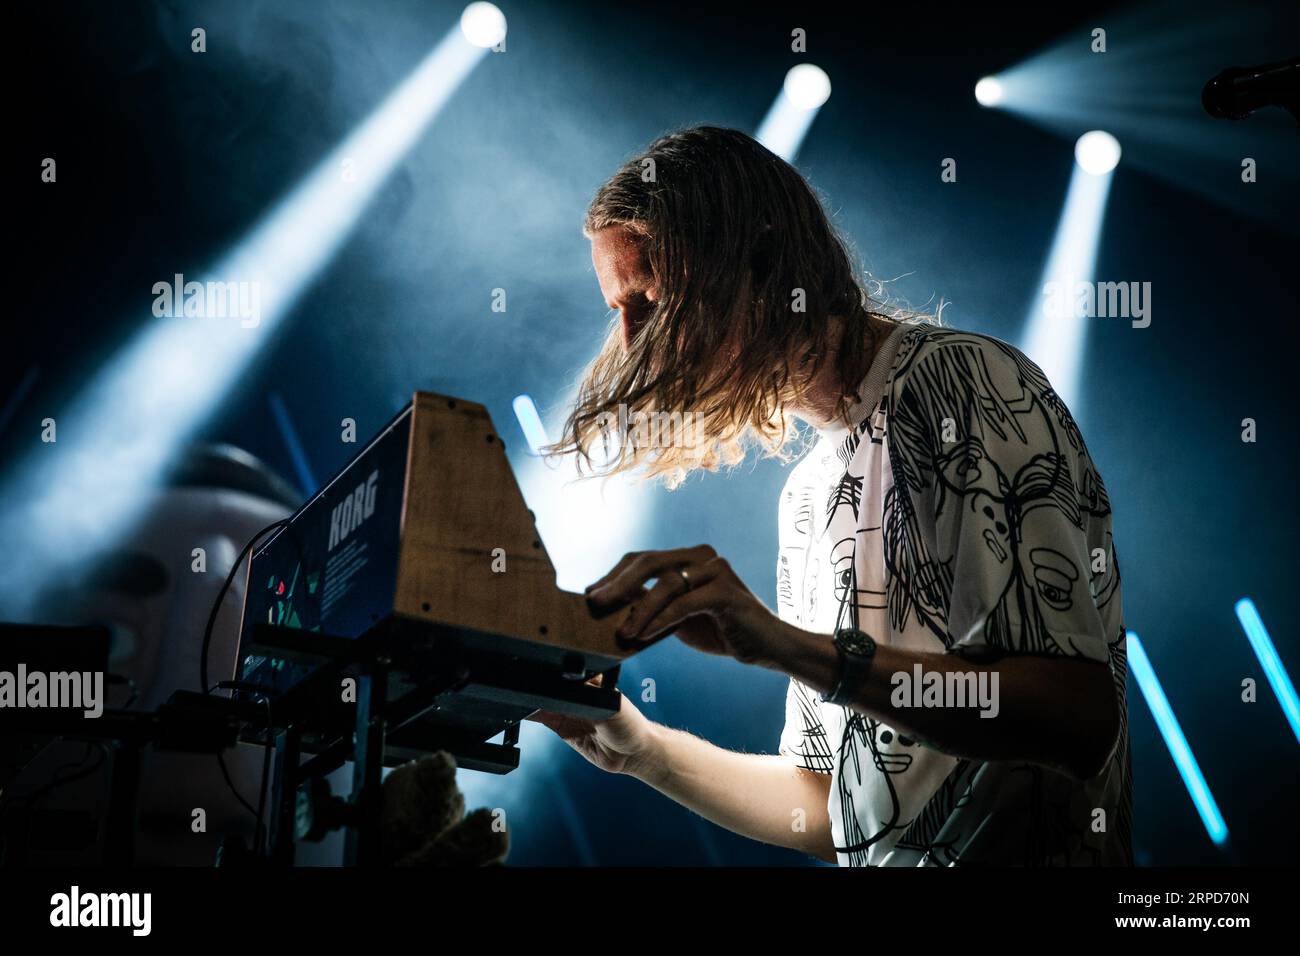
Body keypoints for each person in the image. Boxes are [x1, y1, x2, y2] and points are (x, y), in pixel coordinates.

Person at [537, 126, 1131, 866]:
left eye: (653, 301)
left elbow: (1076, 720)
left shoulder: (958, 384)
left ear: (757, 263)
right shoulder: (809, 492)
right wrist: (638, 749)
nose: (629, 345)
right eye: (618, 311)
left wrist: (792, 648)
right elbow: (830, 812)